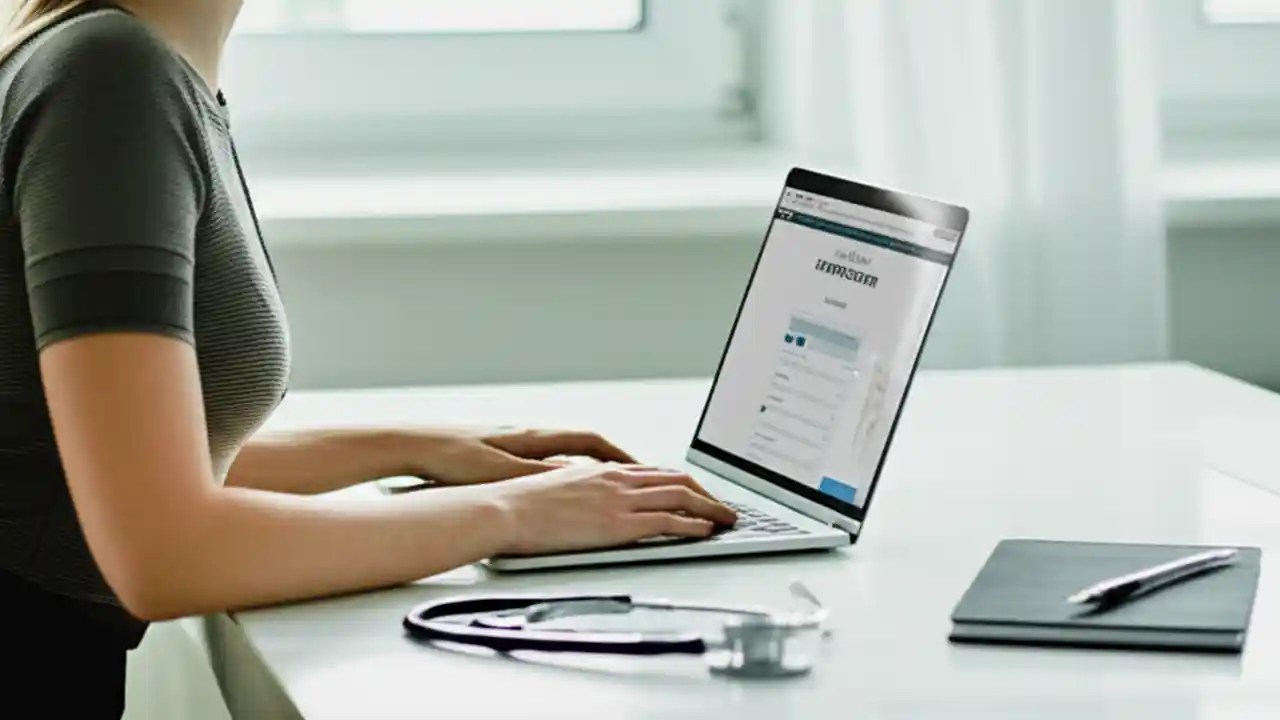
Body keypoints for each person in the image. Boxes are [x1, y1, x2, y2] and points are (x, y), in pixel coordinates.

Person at [0, 1, 737, 716]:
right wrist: (512, 513)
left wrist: (407, 449)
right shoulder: (108, 76)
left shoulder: (114, 58)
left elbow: (89, 463)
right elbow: (162, 552)